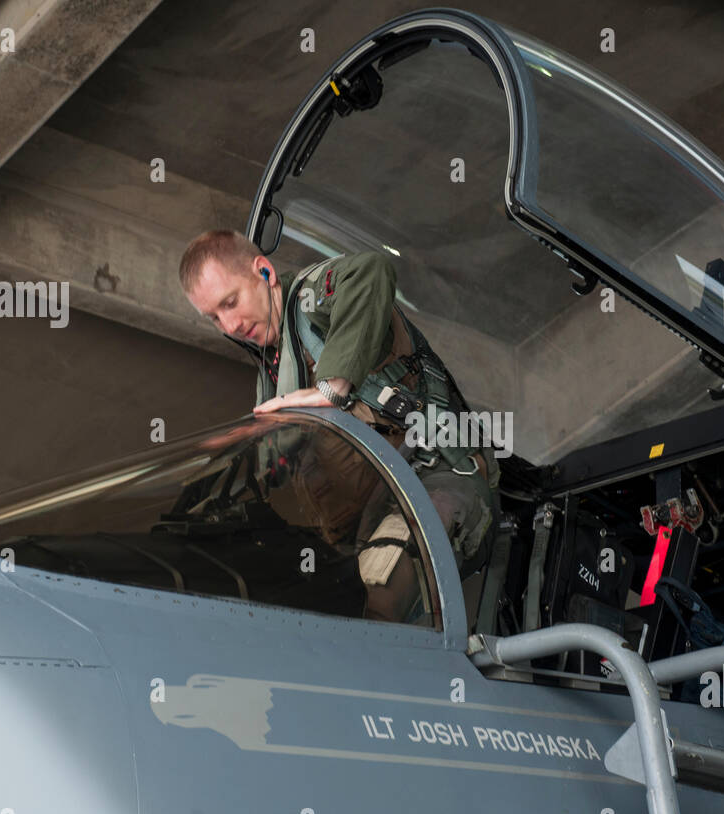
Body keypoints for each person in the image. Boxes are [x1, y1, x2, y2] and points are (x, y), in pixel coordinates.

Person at [179, 229, 499, 623]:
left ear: (263, 272)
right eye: (214, 316)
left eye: (231, 302)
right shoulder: (275, 373)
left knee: (376, 607)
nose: (230, 325)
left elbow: (371, 271)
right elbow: (269, 464)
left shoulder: (311, 305)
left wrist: (332, 389)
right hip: (360, 525)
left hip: (434, 481)